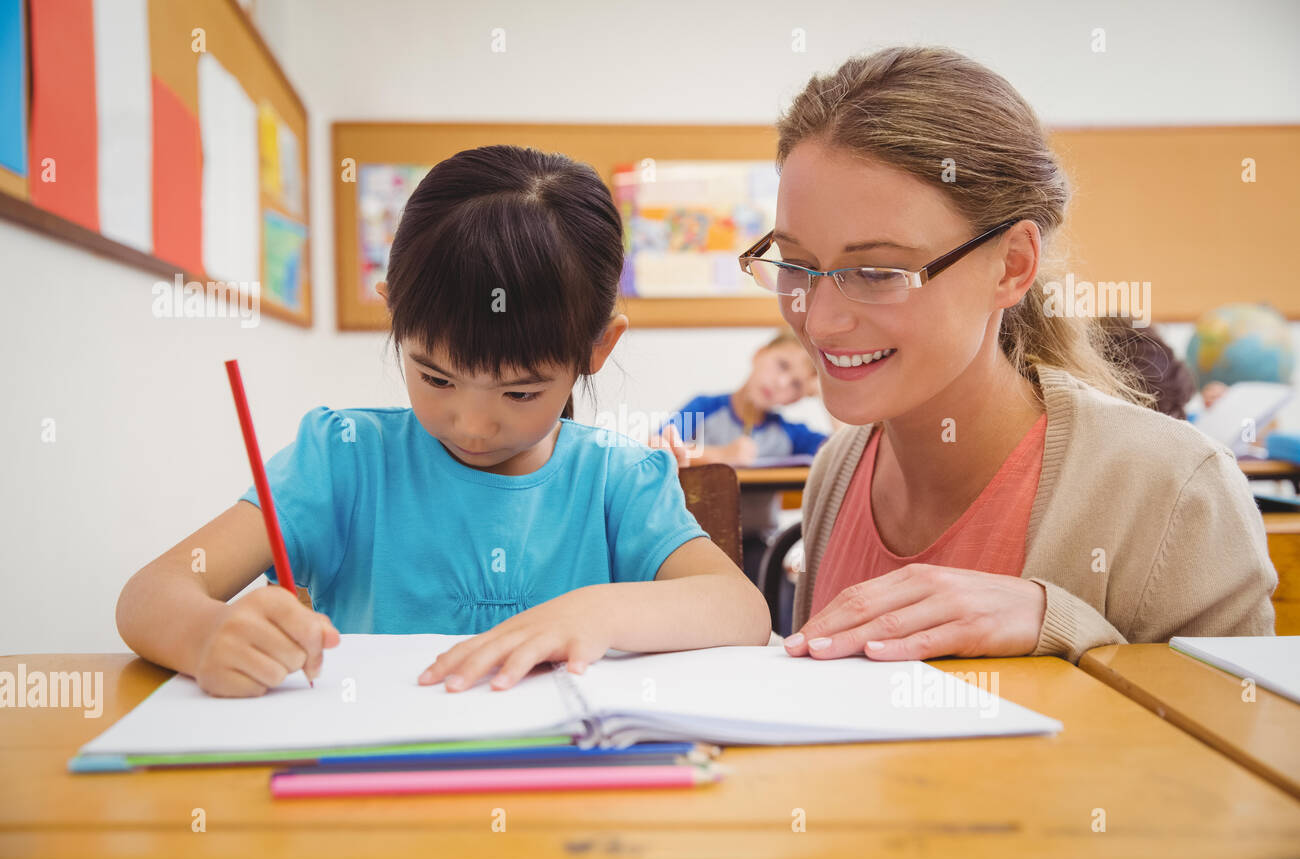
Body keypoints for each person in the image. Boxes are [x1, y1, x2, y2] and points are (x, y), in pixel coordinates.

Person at [115, 145, 770, 698]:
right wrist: (207, 637)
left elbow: (742, 610)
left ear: (596, 350)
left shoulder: (617, 480)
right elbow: (151, 594)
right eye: (436, 378)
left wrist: (592, 611)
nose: (473, 425)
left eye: (519, 392)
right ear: (393, 315)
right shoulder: (344, 460)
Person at [733, 46, 1275, 664]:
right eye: (797, 265)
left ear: (1012, 266)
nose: (820, 319)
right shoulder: (839, 469)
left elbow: (1241, 739)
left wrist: (1059, 625)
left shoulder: (1174, 489)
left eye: (878, 271)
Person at [655, 331, 828, 580]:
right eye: (782, 365)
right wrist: (720, 454)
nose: (781, 383)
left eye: (796, 385)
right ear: (759, 354)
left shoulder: (789, 433)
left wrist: (826, 392)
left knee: (770, 580)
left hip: (756, 545)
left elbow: (845, 450)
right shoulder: (704, 408)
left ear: (799, 398)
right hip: (694, 538)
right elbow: (658, 447)